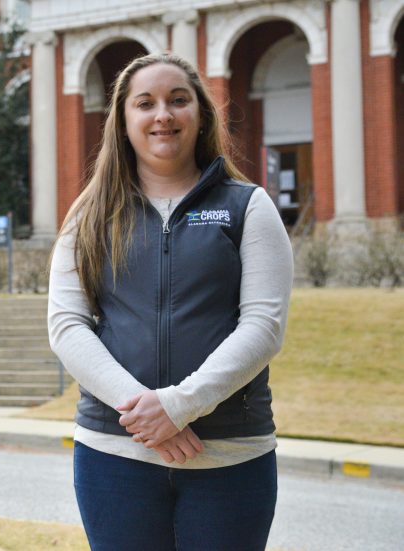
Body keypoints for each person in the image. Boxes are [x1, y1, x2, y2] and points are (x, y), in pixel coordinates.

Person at [48, 53, 293, 550]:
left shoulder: (247, 206)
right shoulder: (89, 216)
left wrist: (180, 406)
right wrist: (147, 417)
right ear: (123, 120)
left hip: (230, 455)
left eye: (178, 100)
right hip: (114, 458)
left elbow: (263, 326)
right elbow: (68, 325)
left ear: (200, 114)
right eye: (146, 103)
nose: (163, 114)